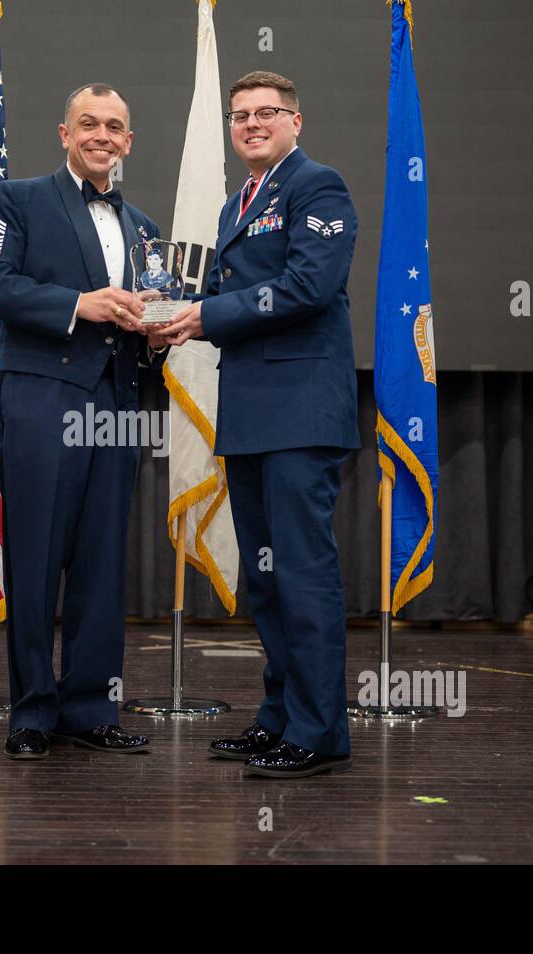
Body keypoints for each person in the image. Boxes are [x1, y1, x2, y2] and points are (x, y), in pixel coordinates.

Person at [160, 71, 360, 778]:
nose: (251, 123)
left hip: (300, 416)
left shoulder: (318, 185)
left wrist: (204, 315)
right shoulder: (235, 204)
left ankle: (319, 731)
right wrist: (170, 315)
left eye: (266, 112)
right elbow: (227, 297)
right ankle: (278, 719)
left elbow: (309, 286)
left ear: (295, 121)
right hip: (248, 417)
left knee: (303, 577)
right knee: (269, 583)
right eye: (240, 114)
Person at [0, 83, 165, 760]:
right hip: (42, 397)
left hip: (119, 403)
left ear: (128, 141)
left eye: (114, 125)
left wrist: (161, 330)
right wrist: (81, 304)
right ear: (64, 132)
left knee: (104, 564)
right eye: (89, 123)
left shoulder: (144, 227)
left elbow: (151, 310)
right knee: (37, 554)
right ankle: (31, 713)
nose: (102, 134)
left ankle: (91, 708)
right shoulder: (15, 200)